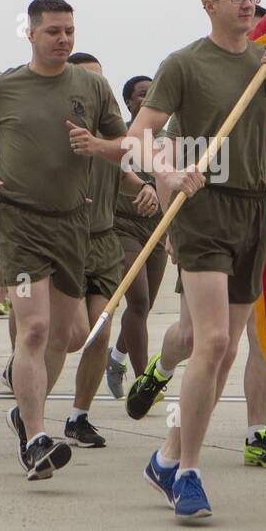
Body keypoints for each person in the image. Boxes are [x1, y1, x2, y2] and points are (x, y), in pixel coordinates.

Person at [120, 0, 266, 520]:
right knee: (211, 343)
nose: (248, 4)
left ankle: (165, 455)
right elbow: (137, 139)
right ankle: (189, 473)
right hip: (203, 207)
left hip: (255, 206)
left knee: (226, 346)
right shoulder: (185, 64)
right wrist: (169, 173)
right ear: (208, 4)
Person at [0, 0, 127, 481]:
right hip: (22, 221)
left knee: (72, 335)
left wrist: (99, 146)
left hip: (74, 223)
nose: (64, 39)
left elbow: (128, 144)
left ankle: (23, 411)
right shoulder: (4, 88)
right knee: (32, 328)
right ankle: (35, 437)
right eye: (53, 31)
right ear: (30, 34)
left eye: (69, 30)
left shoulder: (92, 87)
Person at [55, 53, 158, 447]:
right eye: (87, 80)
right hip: (58, 240)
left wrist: (146, 187)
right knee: (66, 334)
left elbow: (125, 172)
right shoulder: (50, 129)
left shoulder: (106, 136)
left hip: (101, 241)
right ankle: (28, 403)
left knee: (99, 331)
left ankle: (78, 417)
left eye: (101, 81)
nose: (96, 88)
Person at [105, 74, 168, 398]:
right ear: (129, 102)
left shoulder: (173, 140)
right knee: (138, 300)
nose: (148, 99)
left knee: (143, 308)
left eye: (153, 93)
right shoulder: (119, 137)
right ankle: (145, 382)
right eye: (141, 94)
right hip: (123, 227)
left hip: (158, 229)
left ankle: (116, 357)